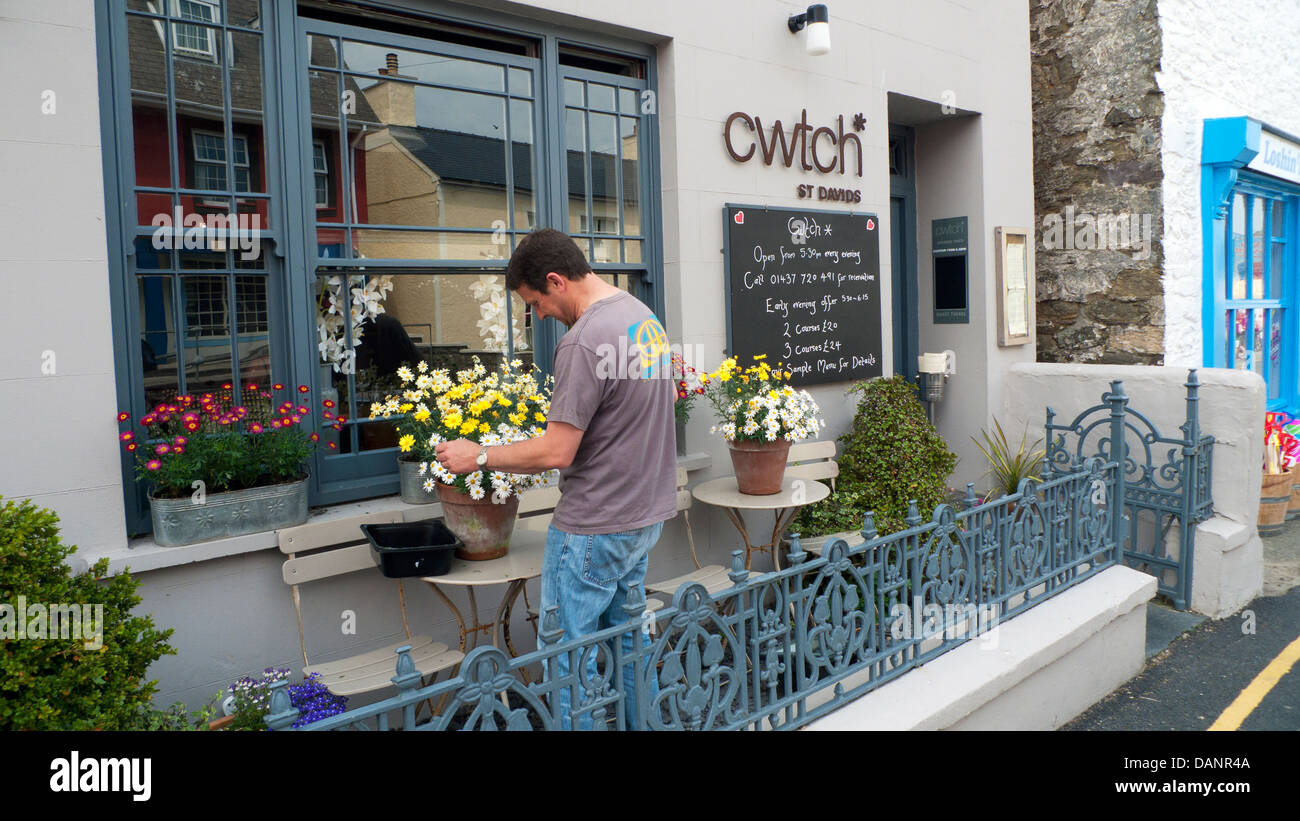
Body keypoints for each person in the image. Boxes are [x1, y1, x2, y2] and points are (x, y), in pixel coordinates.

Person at [434, 228, 676, 729]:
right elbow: (661, 402)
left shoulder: (583, 341)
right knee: (630, 642)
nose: (538, 316)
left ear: (555, 280)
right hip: (643, 517)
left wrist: (478, 455)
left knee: (568, 660)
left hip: (593, 526)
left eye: (536, 303)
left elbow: (557, 450)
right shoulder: (642, 319)